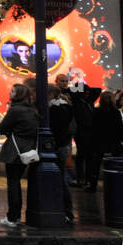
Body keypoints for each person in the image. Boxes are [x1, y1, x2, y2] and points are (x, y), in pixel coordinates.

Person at [0, 83, 39, 226]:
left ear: (18, 95)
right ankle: (16, 216)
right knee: (17, 182)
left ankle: (13, 216)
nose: (10, 93)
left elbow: (1, 129)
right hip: (28, 149)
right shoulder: (32, 110)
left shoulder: (15, 110)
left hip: (15, 151)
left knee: (13, 184)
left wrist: (10, 130)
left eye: (13, 91)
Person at [86, 89, 123, 192]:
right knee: (115, 165)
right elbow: (120, 128)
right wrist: (121, 137)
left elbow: (93, 128)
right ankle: (115, 185)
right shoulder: (116, 113)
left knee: (95, 165)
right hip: (113, 143)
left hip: (99, 143)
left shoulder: (97, 112)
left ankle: (93, 185)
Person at [47, 84, 75, 222]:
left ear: (51, 95)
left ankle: (67, 211)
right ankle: (65, 211)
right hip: (60, 146)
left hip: (58, 147)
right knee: (61, 178)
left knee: (61, 178)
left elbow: (58, 128)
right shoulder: (62, 107)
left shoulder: (58, 109)